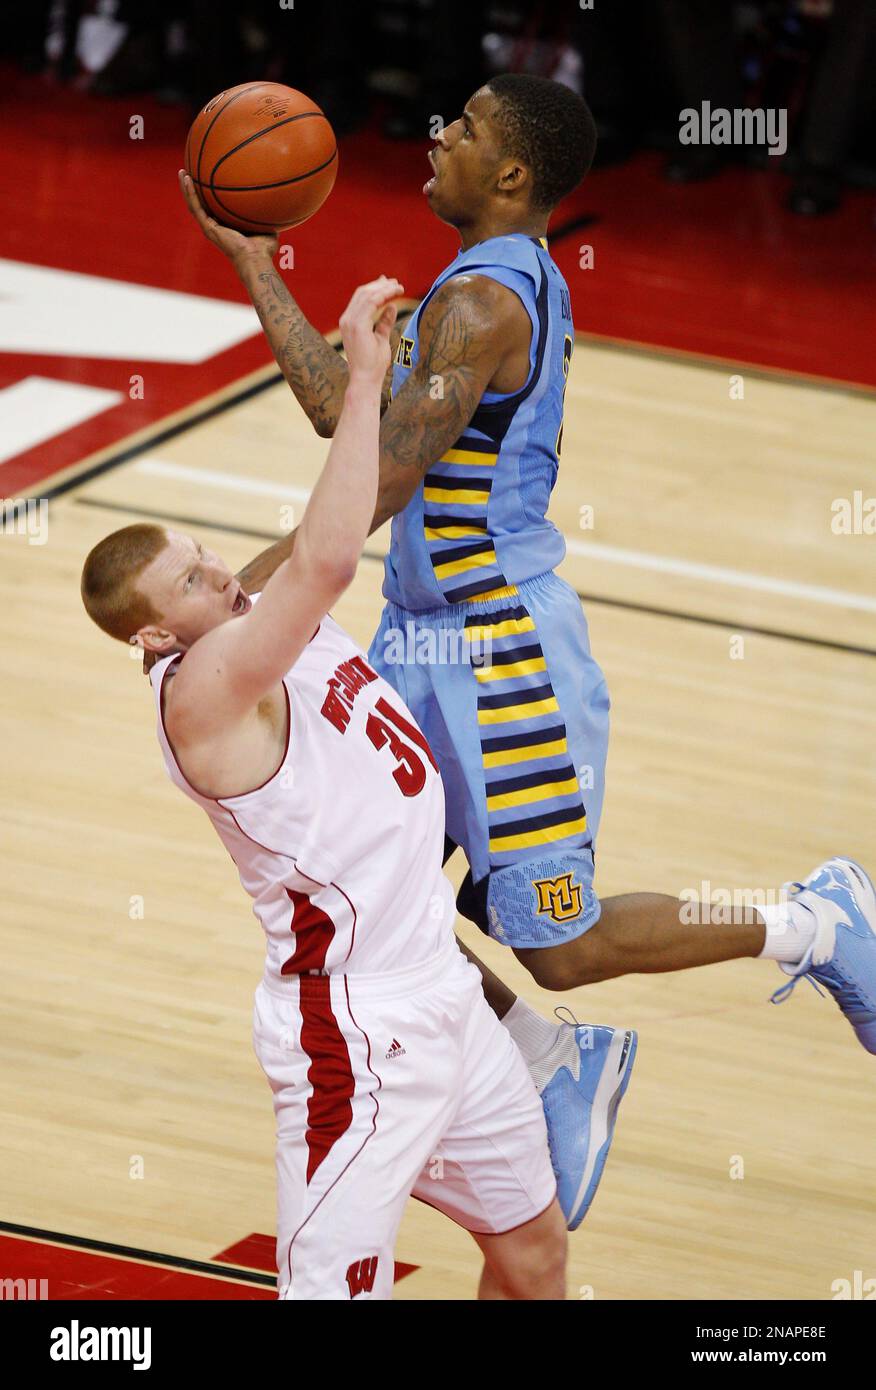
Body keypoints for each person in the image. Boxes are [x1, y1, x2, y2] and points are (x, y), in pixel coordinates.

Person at [179, 73, 876, 1222]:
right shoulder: (471, 287)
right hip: (424, 639)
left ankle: (812, 920)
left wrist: (238, 601)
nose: (440, 135)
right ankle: (555, 1063)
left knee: (559, 939)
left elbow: (378, 486)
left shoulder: (482, 307)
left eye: (466, 128)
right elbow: (341, 421)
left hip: (500, 658)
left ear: (511, 174)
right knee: (372, 888)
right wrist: (258, 261)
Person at [80, 276, 568, 1301]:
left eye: (204, 553)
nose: (220, 573)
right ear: (159, 636)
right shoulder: (204, 691)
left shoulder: (245, 608)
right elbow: (333, 555)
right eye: (191, 582)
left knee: (533, 1254)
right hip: (353, 1032)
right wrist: (363, 380)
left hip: (440, 988)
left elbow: (309, 547)